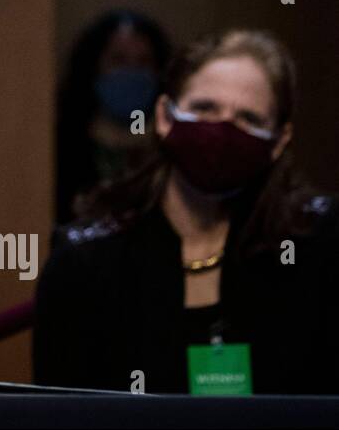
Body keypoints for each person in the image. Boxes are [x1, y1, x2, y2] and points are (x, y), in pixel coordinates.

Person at [35, 29, 338, 394]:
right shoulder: (86, 258)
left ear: (279, 141)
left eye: (249, 119)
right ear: (164, 116)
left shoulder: (319, 243)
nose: (223, 128)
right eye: (204, 108)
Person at [54, 10, 170, 227]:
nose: (132, 72)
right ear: (93, 68)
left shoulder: (171, 146)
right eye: (119, 60)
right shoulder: (63, 145)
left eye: (144, 61)